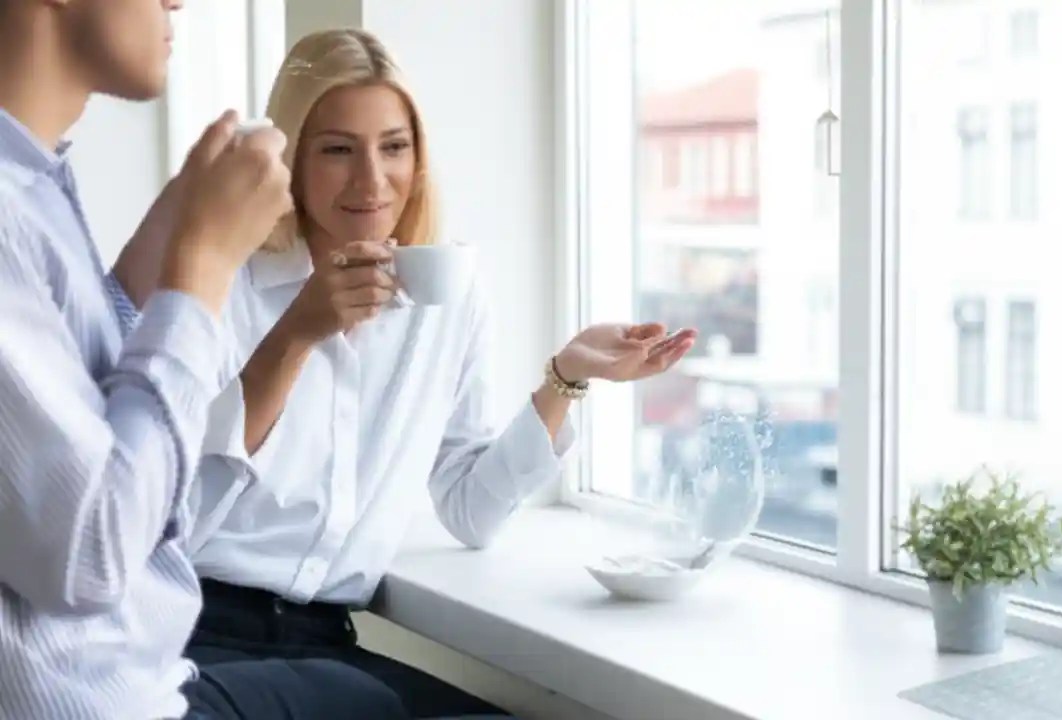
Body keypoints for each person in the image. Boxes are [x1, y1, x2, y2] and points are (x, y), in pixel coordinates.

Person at [182, 28, 698, 719]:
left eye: (394, 147)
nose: (372, 180)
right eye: (338, 149)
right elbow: (169, 517)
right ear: (292, 160)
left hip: (324, 645)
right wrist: (296, 335)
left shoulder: (447, 294)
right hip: (187, 634)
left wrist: (564, 380)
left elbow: (470, 511)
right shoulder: (225, 282)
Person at [0, 1, 414, 718]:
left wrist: (170, 232)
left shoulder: (36, 185)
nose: (176, 2)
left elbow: (74, 399)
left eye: (396, 147)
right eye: (339, 148)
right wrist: (202, 270)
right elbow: (92, 552)